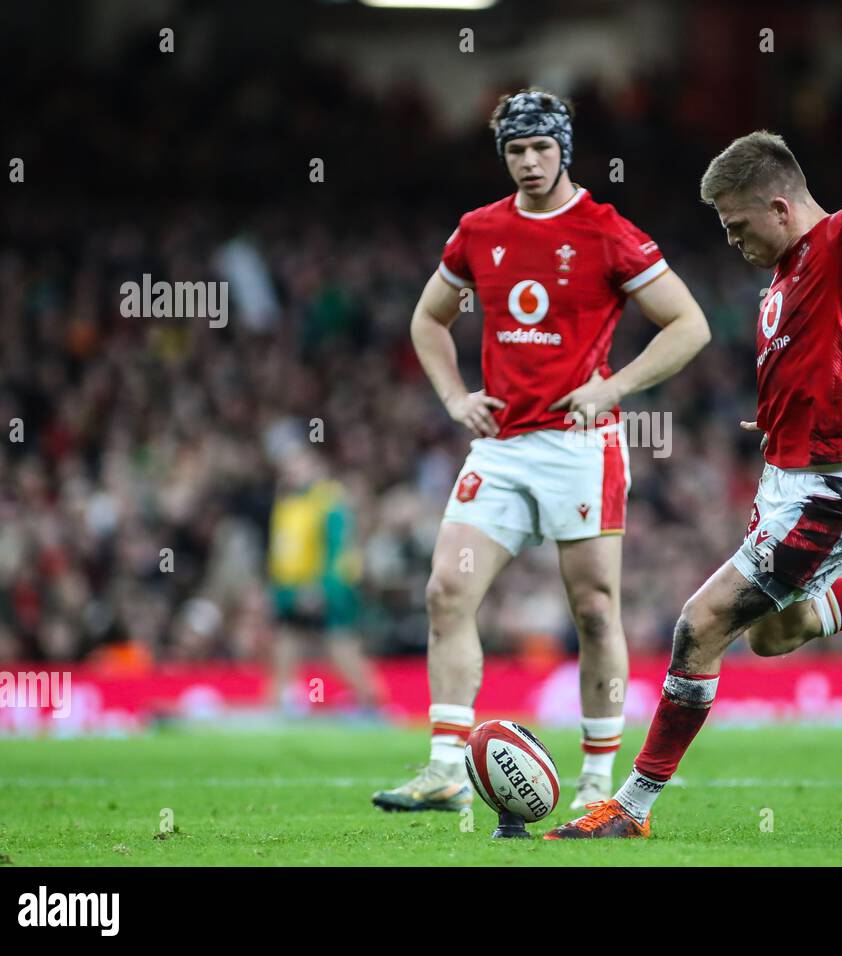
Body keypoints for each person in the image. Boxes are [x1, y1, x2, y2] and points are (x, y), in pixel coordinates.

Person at [546, 50, 842, 839]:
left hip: (832, 488)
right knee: (775, 632)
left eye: (736, 224)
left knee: (699, 625)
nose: (730, 240)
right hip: (789, 480)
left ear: (781, 206)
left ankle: (632, 808)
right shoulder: (784, 276)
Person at [372, 90, 711, 813]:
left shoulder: (605, 231)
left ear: (565, 149)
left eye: (540, 149)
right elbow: (429, 320)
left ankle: (595, 778)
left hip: (578, 447)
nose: (528, 162)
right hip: (501, 448)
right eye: (515, 151)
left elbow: (688, 324)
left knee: (592, 609)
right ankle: (444, 769)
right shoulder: (478, 230)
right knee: (445, 592)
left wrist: (613, 388)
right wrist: (455, 398)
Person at [268, 446, 381, 715]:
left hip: (325, 586)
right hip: (292, 587)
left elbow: (335, 547)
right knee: (288, 640)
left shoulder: (328, 500)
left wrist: (321, 586)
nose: (291, 473)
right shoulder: (288, 502)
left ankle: (372, 699)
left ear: (315, 468)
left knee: (338, 642)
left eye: (298, 466)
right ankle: (275, 701)